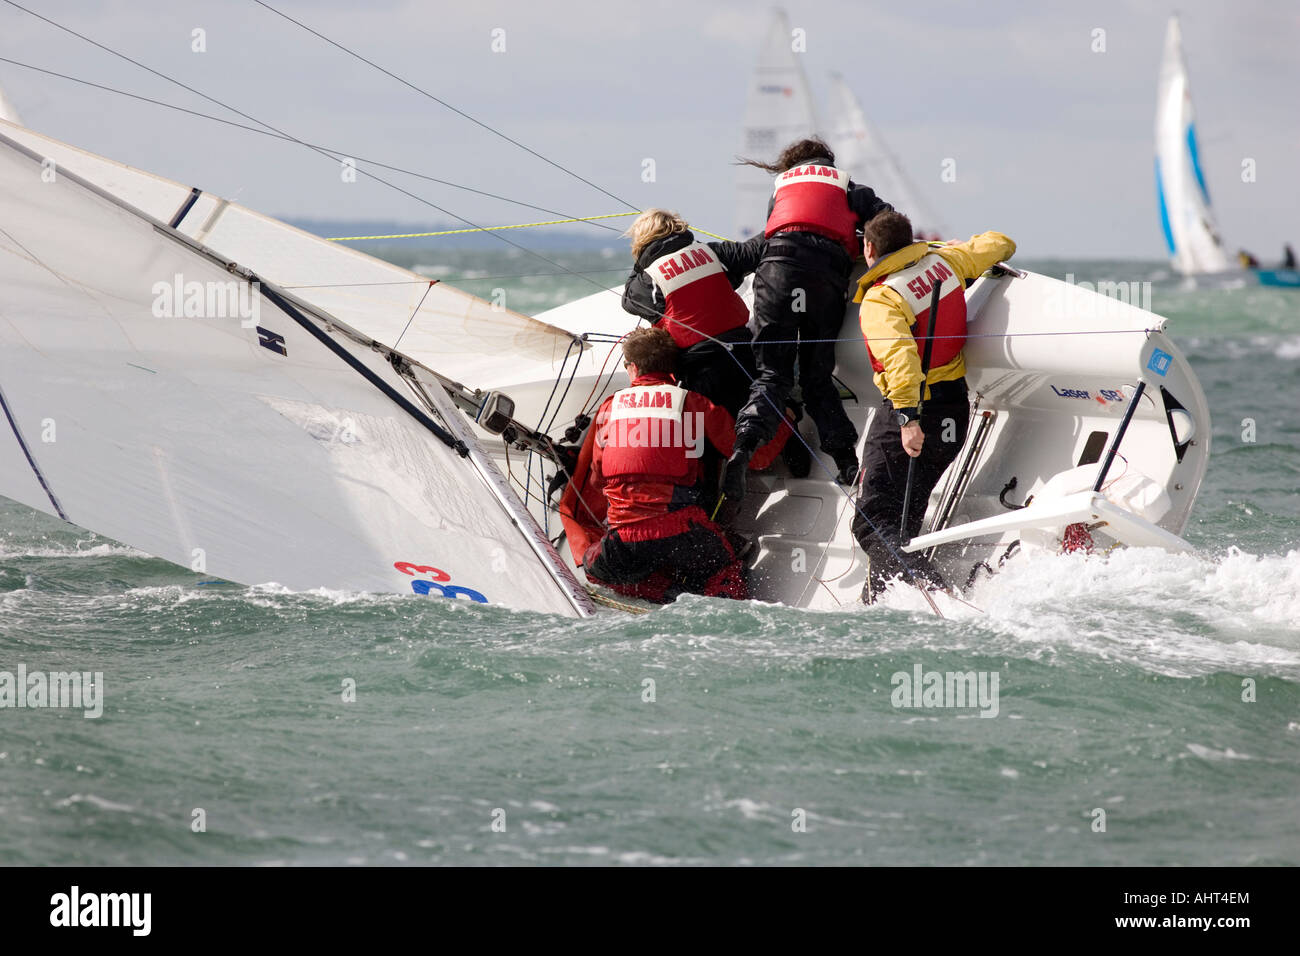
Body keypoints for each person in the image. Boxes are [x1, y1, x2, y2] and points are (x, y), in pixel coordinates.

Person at [849, 211, 1016, 603]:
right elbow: (1000, 242)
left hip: (914, 415)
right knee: (903, 522)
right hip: (954, 412)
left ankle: (937, 596)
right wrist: (945, 248)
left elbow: (901, 360)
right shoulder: (947, 262)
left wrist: (907, 419)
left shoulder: (883, 296)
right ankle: (884, 600)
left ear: (869, 249)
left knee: (873, 522)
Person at [557, 327, 780, 604]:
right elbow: (750, 453)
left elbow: (596, 481)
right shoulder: (693, 402)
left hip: (626, 540)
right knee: (725, 568)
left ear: (634, 367)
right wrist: (787, 422)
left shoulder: (609, 407)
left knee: (596, 570)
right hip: (684, 533)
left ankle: (668, 593)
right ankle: (714, 599)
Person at [723, 136, 893, 501]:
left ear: (791, 166)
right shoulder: (850, 187)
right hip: (824, 280)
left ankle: (744, 446)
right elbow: (887, 223)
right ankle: (847, 463)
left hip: (776, 274)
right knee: (817, 377)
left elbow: (784, 230)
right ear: (828, 163)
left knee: (772, 375)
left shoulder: (780, 188)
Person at [621, 209, 804, 476]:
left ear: (641, 241)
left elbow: (628, 301)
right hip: (745, 352)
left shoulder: (649, 278)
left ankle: (712, 495)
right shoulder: (711, 253)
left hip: (701, 367)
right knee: (767, 407)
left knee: (703, 438)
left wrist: (641, 263)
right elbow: (754, 251)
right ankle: (798, 460)